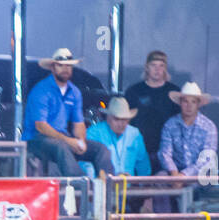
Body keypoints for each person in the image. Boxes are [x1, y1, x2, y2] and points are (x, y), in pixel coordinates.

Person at [20, 48, 113, 178]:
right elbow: (41, 126)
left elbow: (78, 123)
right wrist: (70, 141)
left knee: (101, 149)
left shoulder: (74, 92)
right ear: (52, 67)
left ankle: (107, 187)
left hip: (62, 138)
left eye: (68, 66)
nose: (65, 69)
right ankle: (80, 186)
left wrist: (80, 140)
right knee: (61, 147)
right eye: (61, 65)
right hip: (36, 140)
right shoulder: (41, 90)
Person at [125, 51, 180, 173]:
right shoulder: (134, 91)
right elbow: (126, 121)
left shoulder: (174, 92)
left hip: (167, 152)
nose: (157, 69)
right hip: (139, 149)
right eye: (153, 65)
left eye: (161, 66)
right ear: (146, 67)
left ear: (165, 69)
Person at [157, 81, 218, 180]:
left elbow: (206, 158)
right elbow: (165, 153)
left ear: (198, 104)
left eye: (193, 102)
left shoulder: (209, 127)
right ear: (180, 103)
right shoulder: (170, 125)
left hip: (199, 175)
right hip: (174, 173)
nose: (189, 105)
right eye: (185, 101)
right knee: (159, 179)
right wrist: (174, 174)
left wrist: (184, 175)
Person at [87, 96, 151, 177]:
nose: (121, 124)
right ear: (108, 118)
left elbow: (143, 164)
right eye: (117, 119)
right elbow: (86, 163)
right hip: (102, 186)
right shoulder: (94, 133)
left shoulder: (134, 134)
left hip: (130, 187)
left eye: (124, 119)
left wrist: (143, 184)